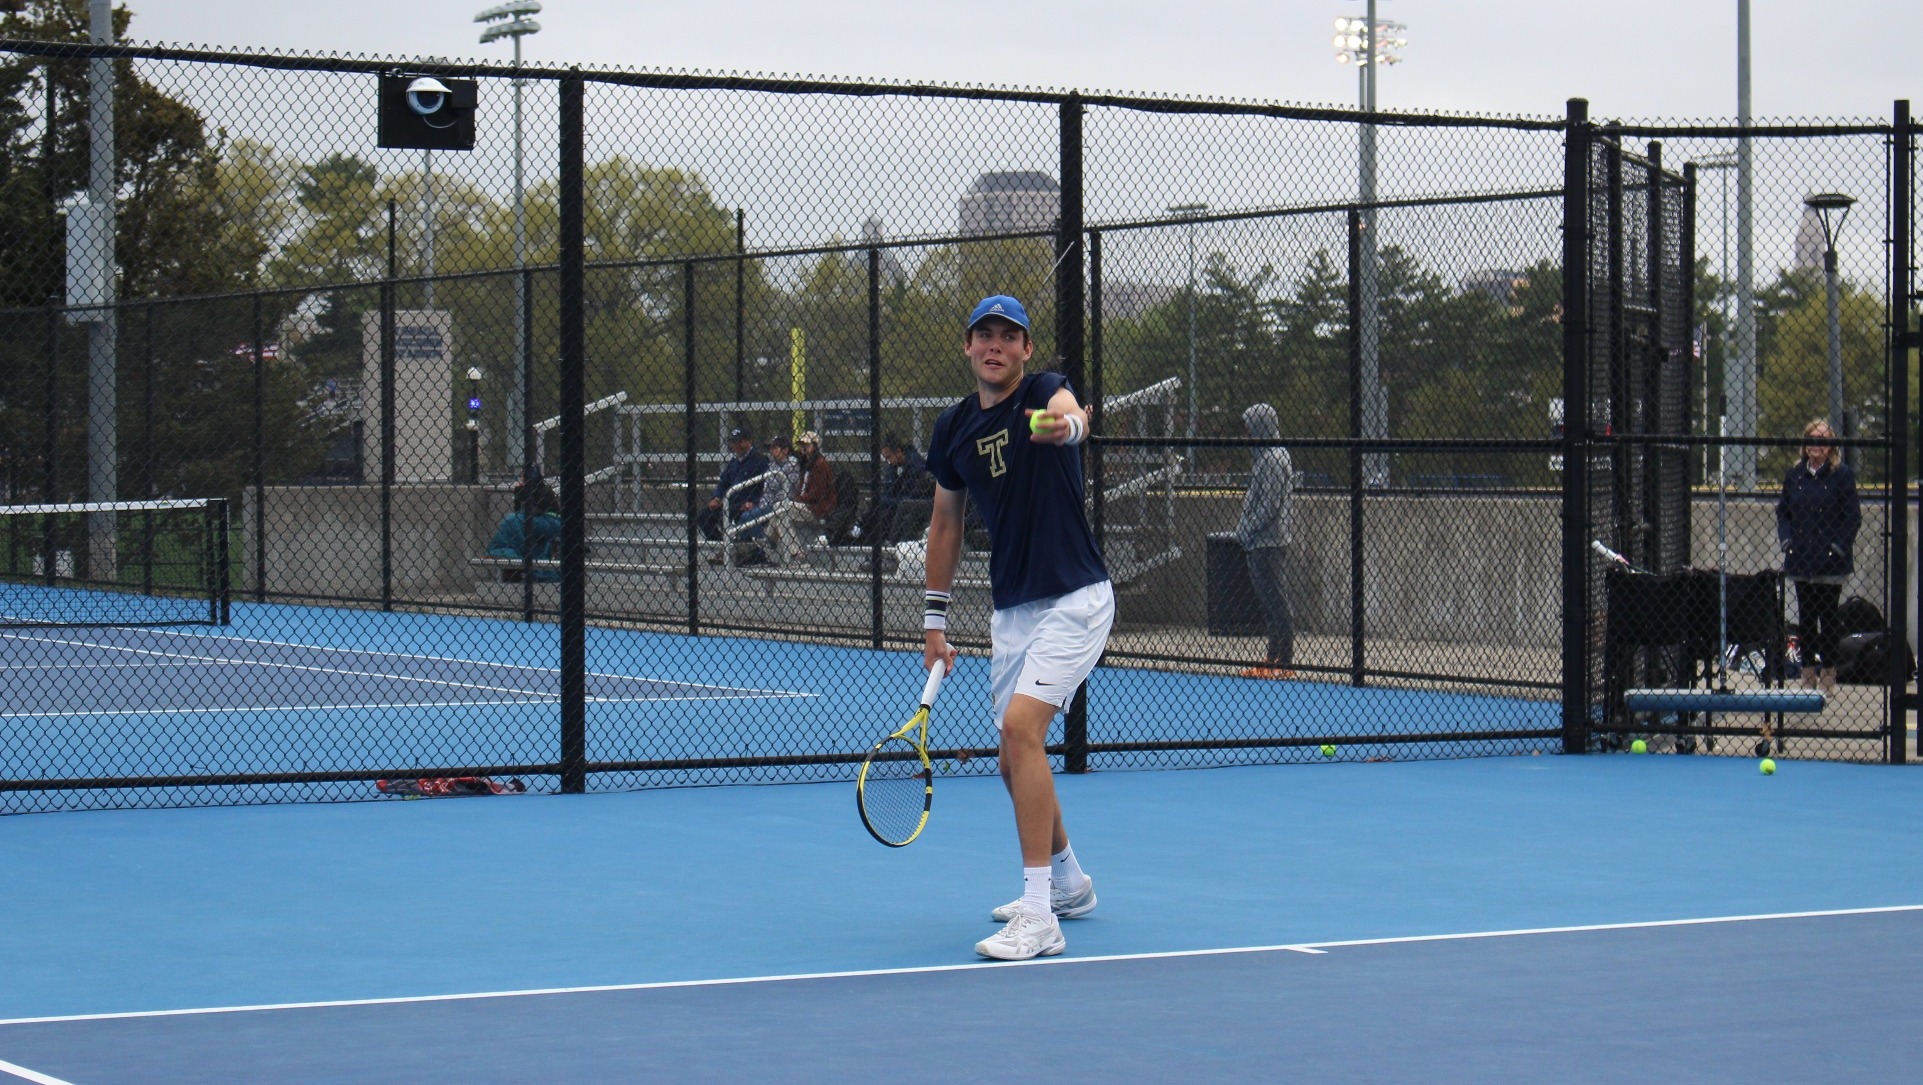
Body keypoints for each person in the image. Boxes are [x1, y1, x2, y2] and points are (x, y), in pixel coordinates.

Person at [922, 294, 1113, 962]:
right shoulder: (951, 429)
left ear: (1026, 349)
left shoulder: (1043, 392)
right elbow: (944, 524)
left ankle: (1039, 915)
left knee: (1018, 731)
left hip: (1075, 600)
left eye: (1010, 335)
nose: (996, 345)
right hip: (1012, 610)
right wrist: (934, 621)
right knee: (1011, 758)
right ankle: (1067, 881)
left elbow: (1068, 418)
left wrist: (1067, 430)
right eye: (985, 335)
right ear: (968, 347)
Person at [1775, 418, 1860, 694]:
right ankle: (1807, 673)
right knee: (1806, 616)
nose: (1816, 446)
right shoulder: (1796, 475)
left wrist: (1836, 548)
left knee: (1828, 615)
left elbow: (1852, 517)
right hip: (1801, 557)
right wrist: (1787, 541)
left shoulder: (1841, 475)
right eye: (1812, 439)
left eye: (1822, 441)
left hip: (1830, 560)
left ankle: (1829, 673)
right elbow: (1784, 511)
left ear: (1831, 446)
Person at [1236, 403, 1296, 679]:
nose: (1247, 435)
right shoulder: (1268, 457)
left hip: (1267, 541)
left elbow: (1269, 505)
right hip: (1262, 540)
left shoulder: (1272, 459)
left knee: (1275, 600)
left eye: (1251, 428)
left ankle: (1283, 660)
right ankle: (1273, 657)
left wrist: (1247, 529)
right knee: (1269, 601)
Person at [767, 431, 837, 563]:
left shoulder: (820, 463)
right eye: (801, 445)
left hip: (817, 508)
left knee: (780, 507)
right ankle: (796, 553)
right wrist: (798, 499)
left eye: (806, 445)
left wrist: (798, 500)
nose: (803, 448)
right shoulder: (806, 463)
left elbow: (817, 494)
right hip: (806, 505)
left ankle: (770, 536)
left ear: (815, 446)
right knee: (782, 516)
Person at [856, 434, 936, 546]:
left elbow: (912, 495)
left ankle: (888, 543)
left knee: (887, 515)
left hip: (909, 502)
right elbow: (889, 489)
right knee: (874, 512)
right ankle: (861, 534)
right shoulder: (894, 467)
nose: (888, 461)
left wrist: (887, 500)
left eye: (889, 457)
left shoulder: (915, 465)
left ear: (898, 452)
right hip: (896, 502)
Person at [697, 427, 769, 551]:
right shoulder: (734, 462)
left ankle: (736, 550)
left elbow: (766, 486)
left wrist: (755, 503)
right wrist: (716, 497)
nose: (734, 445)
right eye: (733, 442)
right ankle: (725, 549)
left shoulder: (760, 460)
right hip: (731, 501)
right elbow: (723, 482)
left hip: (748, 502)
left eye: (738, 442)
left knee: (727, 514)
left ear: (747, 442)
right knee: (704, 516)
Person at [486, 472, 562, 582]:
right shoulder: (537, 518)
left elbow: (539, 511)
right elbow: (518, 509)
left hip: (549, 520)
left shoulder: (543, 491)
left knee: (514, 522)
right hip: (529, 525)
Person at [737, 435, 800, 565]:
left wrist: (766, 504)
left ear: (785, 449)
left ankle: (762, 550)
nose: (772, 451)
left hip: (779, 504)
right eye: (770, 448)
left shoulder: (792, 464)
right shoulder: (771, 464)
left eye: (775, 448)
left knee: (748, 517)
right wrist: (756, 504)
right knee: (743, 516)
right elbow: (766, 489)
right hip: (765, 504)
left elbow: (785, 490)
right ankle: (751, 550)